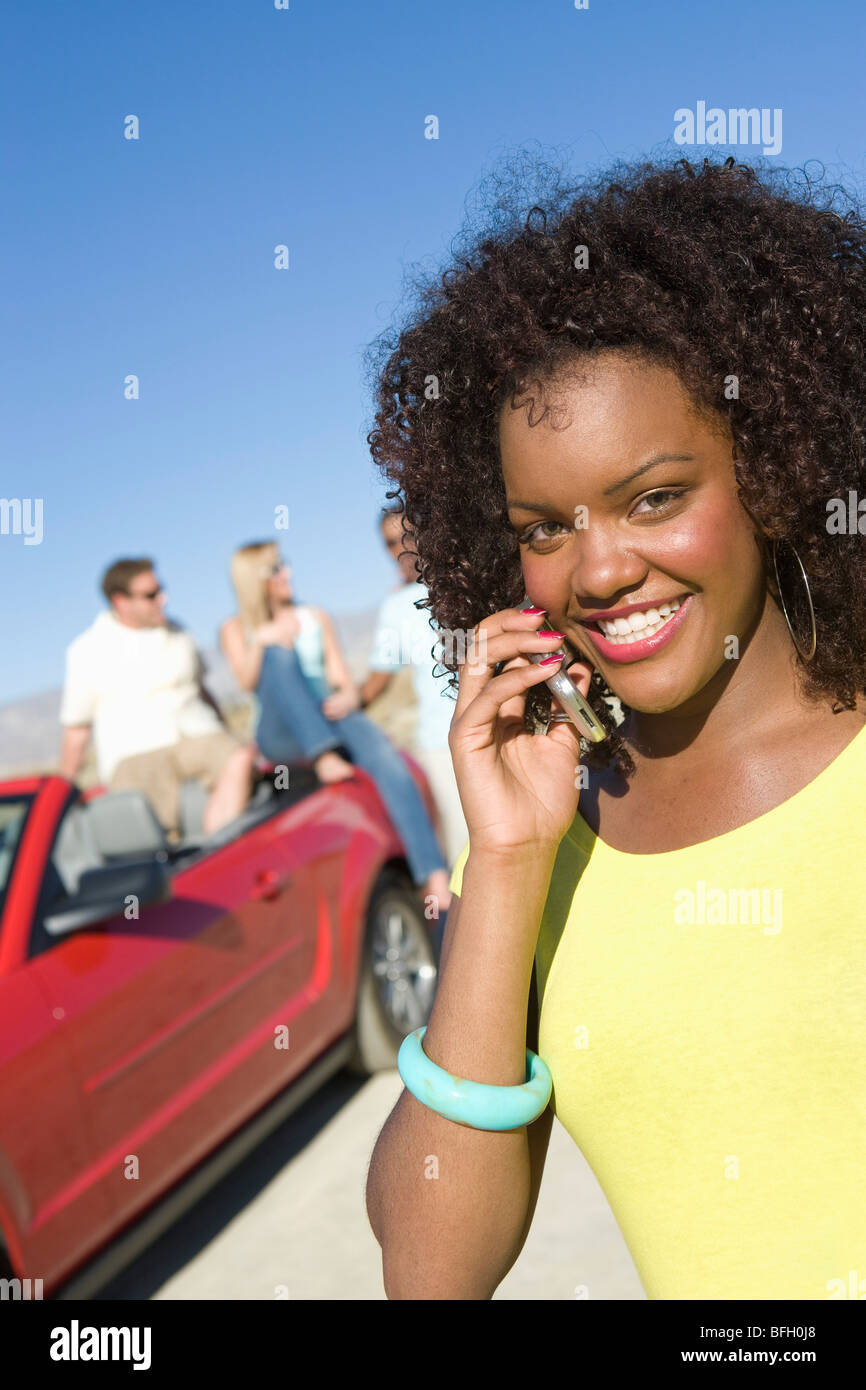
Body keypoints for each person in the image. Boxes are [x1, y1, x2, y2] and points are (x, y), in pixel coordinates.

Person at [364, 153, 866, 1301]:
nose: (596, 568)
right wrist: (503, 861)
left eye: (653, 497)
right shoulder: (542, 849)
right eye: (543, 527)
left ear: (776, 466)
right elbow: (428, 1270)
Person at [219, 541, 452, 910]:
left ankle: (433, 874)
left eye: (285, 564)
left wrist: (346, 697)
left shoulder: (315, 616)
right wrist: (262, 641)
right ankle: (323, 754)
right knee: (279, 656)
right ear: (255, 579)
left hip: (327, 717)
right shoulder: (237, 629)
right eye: (277, 569)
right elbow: (246, 682)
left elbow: (340, 678)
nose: (287, 573)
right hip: (280, 733)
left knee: (383, 754)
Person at [59, 557, 255, 840]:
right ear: (121, 601)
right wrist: (64, 793)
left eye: (160, 589)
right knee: (157, 831)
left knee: (238, 755)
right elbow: (77, 731)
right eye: (151, 595)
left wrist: (229, 733)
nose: (163, 599)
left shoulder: (180, 634)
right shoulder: (87, 651)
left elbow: (202, 691)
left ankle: (221, 849)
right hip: (135, 751)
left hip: (198, 735)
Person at [359, 505, 469, 870]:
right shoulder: (395, 608)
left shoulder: (466, 578)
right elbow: (378, 679)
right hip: (443, 743)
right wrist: (339, 710)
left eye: (409, 535)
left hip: (501, 720)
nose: (402, 547)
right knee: (466, 848)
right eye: (392, 542)